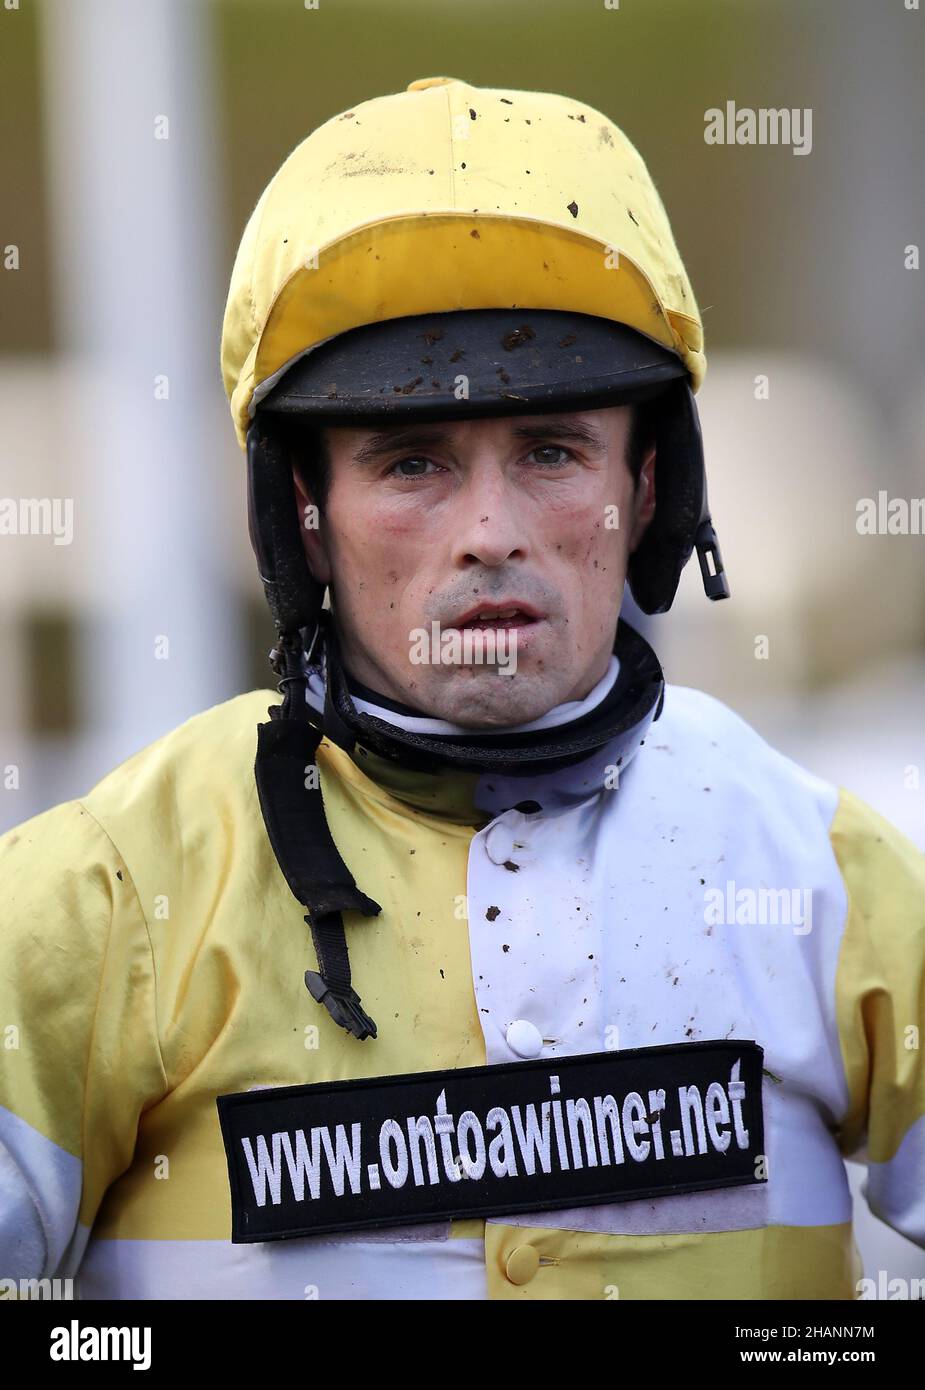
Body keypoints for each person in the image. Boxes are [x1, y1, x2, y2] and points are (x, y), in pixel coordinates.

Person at [1, 76, 922, 1302]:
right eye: (413, 461)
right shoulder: (106, 893)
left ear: (649, 490)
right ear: (304, 517)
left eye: (550, 452)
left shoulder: (817, 873)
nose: (489, 531)